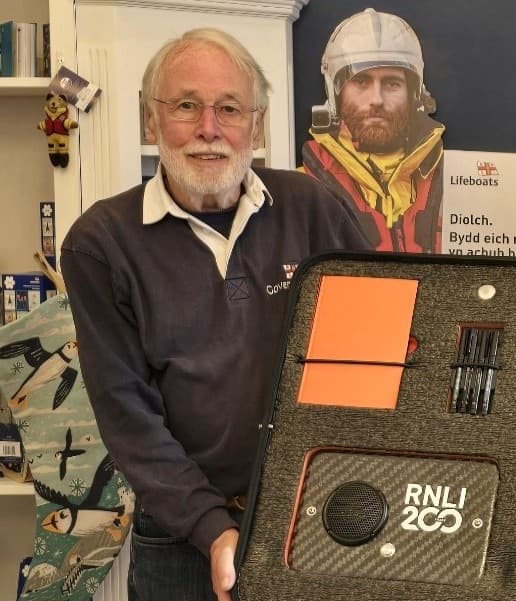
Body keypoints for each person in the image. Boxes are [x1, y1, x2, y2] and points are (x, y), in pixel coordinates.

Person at [60, 29, 369, 601]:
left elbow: (392, 333)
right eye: (185, 106)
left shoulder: (313, 208)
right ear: (151, 122)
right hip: (180, 539)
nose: (209, 128)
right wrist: (214, 529)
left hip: (321, 520)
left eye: (229, 108)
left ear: (256, 124)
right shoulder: (100, 244)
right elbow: (127, 414)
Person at [301, 8, 445, 253]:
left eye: (391, 83)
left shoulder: (457, 184)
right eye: (361, 81)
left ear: (414, 94)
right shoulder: (300, 189)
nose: (376, 99)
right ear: (336, 93)